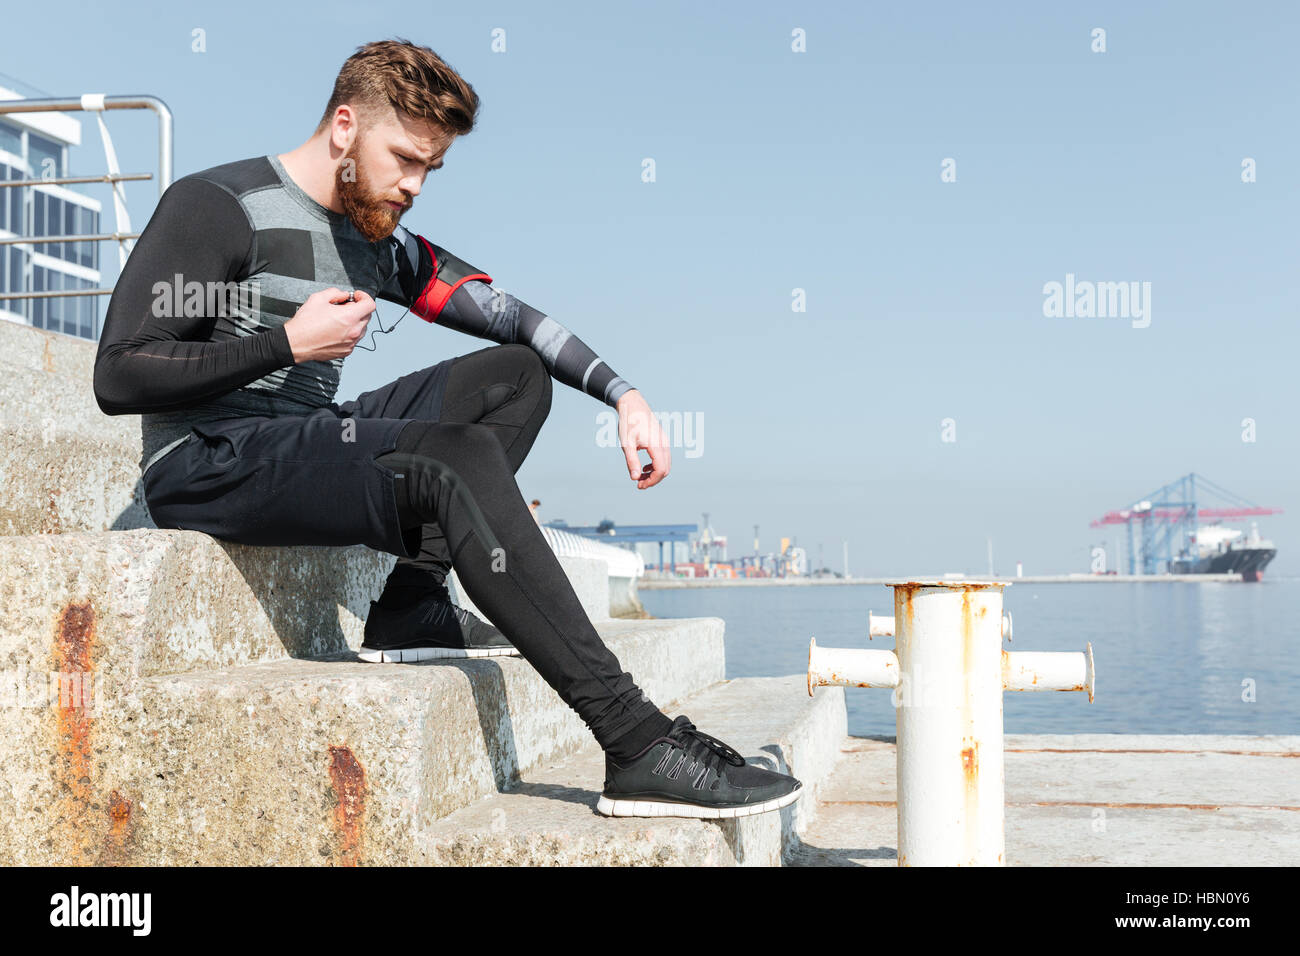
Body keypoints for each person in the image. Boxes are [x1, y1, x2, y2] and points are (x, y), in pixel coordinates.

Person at [93, 37, 800, 820]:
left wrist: (623, 395)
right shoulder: (219, 206)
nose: (415, 184)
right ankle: (637, 741)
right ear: (343, 126)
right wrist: (284, 344)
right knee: (453, 458)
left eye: (431, 168)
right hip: (205, 464)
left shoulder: (374, 238)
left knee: (517, 374)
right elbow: (118, 374)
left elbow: (512, 319)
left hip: (305, 442)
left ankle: (412, 602)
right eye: (403, 158)